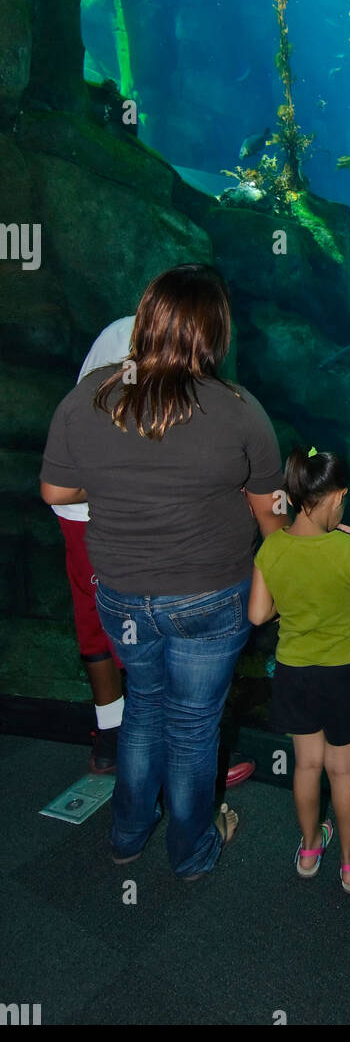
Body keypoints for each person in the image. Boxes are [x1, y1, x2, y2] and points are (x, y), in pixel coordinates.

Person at [40, 263, 285, 880]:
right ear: (214, 332)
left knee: (144, 707)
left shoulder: (91, 395)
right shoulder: (240, 409)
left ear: (146, 320)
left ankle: (126, 833)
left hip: (121, 597)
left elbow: (55, 490)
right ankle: (191, 849)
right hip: (209, 598)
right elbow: (271, 515)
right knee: (194, 725)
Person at [249, 447, 350, 892]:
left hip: (293, 674)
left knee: (306, 765)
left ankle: (309, 848)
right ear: (337, 497)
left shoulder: (272, 547)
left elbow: (257, 615)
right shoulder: (345, 547)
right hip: (341, 674)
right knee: (342, 770)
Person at [49, 317, 135, 772]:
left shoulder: (135, 333)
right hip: (92, 513)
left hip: (96, 510)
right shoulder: (130, 339)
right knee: (113, 615)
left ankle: (122, 732)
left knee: (105, 617)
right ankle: (119, 733)